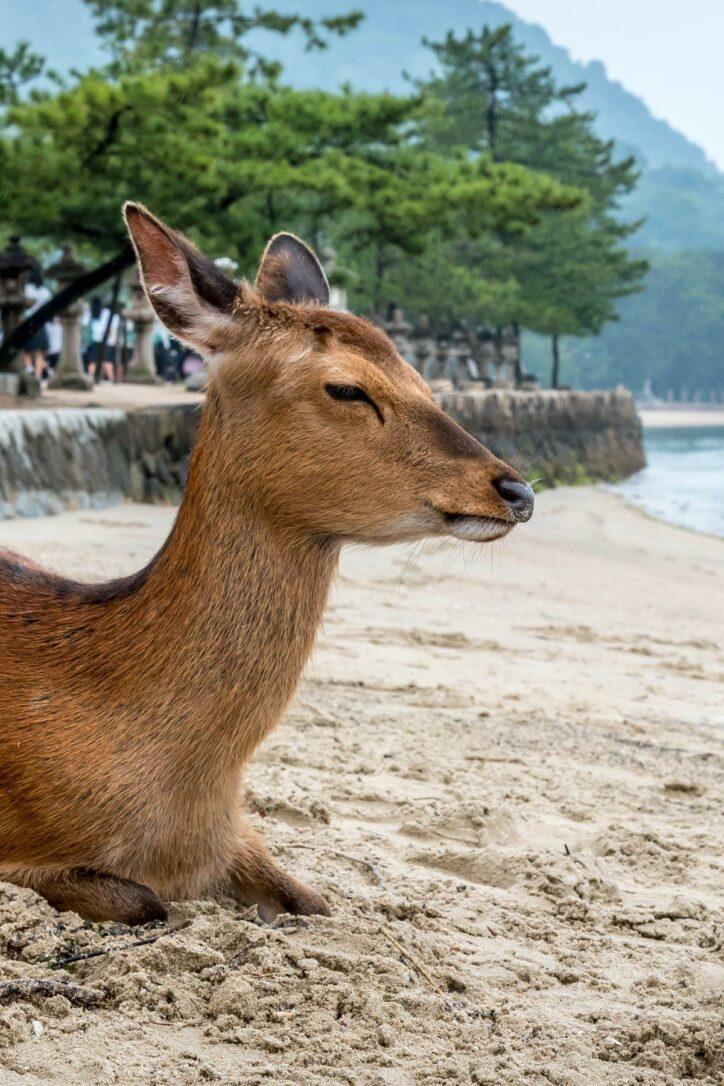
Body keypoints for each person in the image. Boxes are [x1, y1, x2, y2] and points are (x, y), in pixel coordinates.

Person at [23, 269, 52, 384]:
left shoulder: (26, 289)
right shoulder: (45, 291)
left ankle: (29, 368)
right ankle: (38, 378)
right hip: (41, 322)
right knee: (39, 352)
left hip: (27, 322)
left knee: (25, 349)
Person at [83, 295, 118, 381]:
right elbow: (111, 328)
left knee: (93, 361)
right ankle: (111, 379)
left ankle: (90, 378)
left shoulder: (90, 313)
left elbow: (84, 325)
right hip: (107, 341)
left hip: (94, 340)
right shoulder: (107, 312)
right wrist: (113, 340)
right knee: (107, 361)